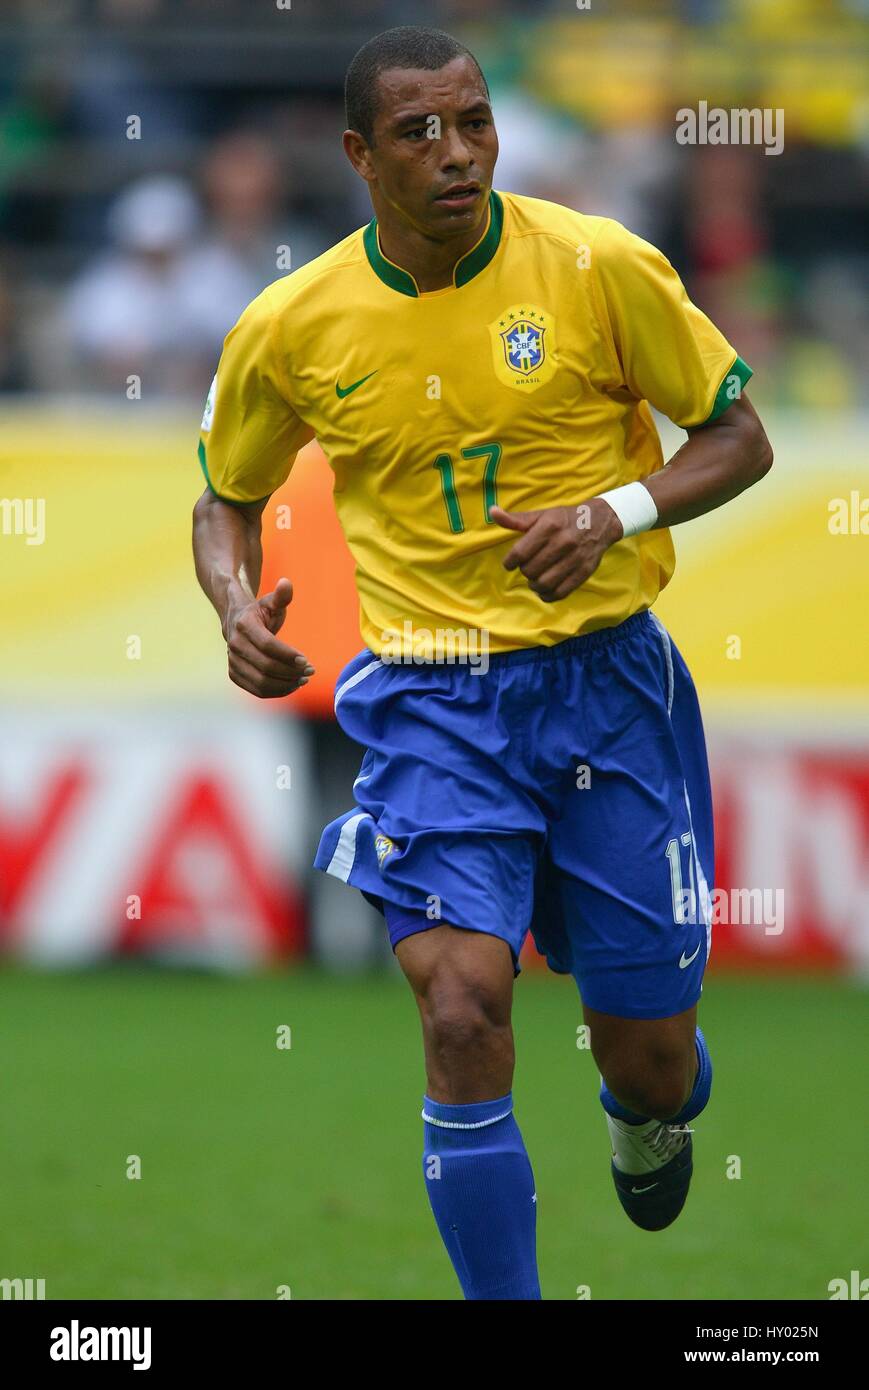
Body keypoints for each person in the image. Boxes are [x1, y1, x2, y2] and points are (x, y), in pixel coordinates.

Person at [192, 26, 773, 1300]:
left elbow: (738, 434)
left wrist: (613, 512)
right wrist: (234, 602)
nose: (455, 154)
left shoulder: (595, 264)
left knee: (647, 1057)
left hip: (605, 687)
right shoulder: (291, 326)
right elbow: (221, 497)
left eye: (471, 122)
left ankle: (651, 1100)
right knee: (459, 1008)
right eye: (417, 133)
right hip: (430, 700)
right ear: (359, 155)